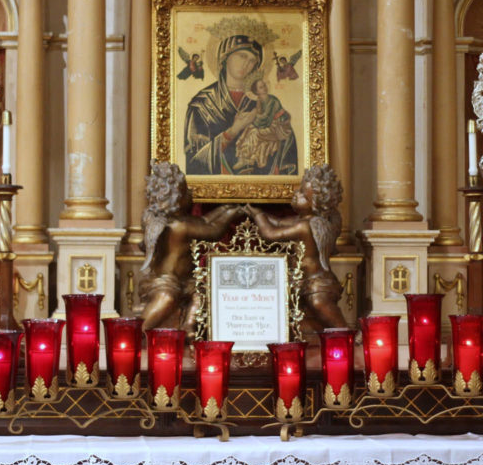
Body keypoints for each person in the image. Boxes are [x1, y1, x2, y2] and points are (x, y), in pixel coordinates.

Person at [139, 162, 242, 334]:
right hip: (166, 282)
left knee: (202, 290)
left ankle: (188, 325)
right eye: (186, 192)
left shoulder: (182, 222)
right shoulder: (179, 227)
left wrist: (224, 208)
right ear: (177, 198)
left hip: (184, 280)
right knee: (167, 298)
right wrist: (232, 213)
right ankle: (138, 331)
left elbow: (203, 221)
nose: (191, 194)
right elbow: (213, 230)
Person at [245, 164, 348, 334]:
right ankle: (321, 334)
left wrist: (258, 216)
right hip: (302, 281)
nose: (296, 195)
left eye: (302, 195)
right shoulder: (303, 221)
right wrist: (259, 213)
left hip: (317, 284)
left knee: (319, 305)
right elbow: (278, 223)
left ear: (315, 204)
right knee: (304, 318)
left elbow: (270, 234)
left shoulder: (305, 227)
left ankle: (346, 332)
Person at [184, 32, 297, 176]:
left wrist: (275, 135)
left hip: (264, 188)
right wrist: (232, 132)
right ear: (225, 56)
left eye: (252, 61)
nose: (246, 64)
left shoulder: (265, 101)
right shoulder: (202, 105)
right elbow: (193, 163)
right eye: (242, 56)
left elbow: (288, 150)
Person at [233, 77, 292, 171]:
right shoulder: (259, 100)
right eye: (261, 87)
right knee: (249, 129)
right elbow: (259, 117)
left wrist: (252, 117)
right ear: (256, 91)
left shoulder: (272, 100)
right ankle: (244, 158)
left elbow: (265, 119)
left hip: (278, 127)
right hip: (267, 125)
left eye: (264, 85)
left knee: (255, 133)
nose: (264, 88)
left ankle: (248, 158)